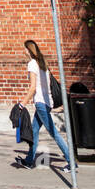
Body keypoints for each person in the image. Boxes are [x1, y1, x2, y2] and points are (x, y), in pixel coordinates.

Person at [22, 38, 70, 169]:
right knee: (34, 131)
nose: (24, 51)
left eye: (25, 49)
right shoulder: (43, 64)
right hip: (48, 102)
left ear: (28, 50)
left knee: (53, 132)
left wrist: (22, 103)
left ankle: (71, 161)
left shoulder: (32, 63)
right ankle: (29, 160)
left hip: (41, 103)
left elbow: (33, 88)